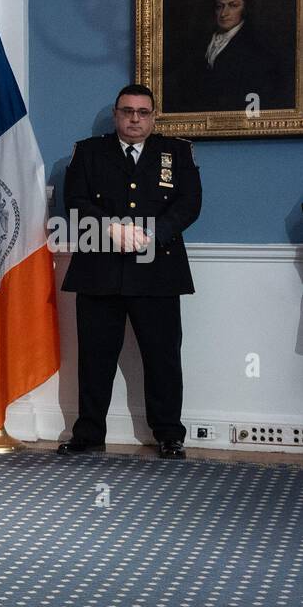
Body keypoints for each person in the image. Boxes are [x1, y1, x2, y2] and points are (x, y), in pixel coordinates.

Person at [59, 83, 202, 460]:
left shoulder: (177, 152)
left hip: (157, 270)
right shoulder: (88, 153)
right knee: (94, 357)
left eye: (142, 112)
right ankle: (88, 433)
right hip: (100, 267)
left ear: (153, 117)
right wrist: (111, 228)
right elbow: (74, 200)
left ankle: (169, 434)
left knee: (163, 357)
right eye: (127, 111)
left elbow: (189, 204)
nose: (134, 119)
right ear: (116, 115)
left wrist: (152, 234)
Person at [167, 0, 290, 113]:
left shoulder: (255, 46)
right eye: (220, 6)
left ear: (246, 8)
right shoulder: (200, 41)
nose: (224, 14)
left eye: (233, 5)